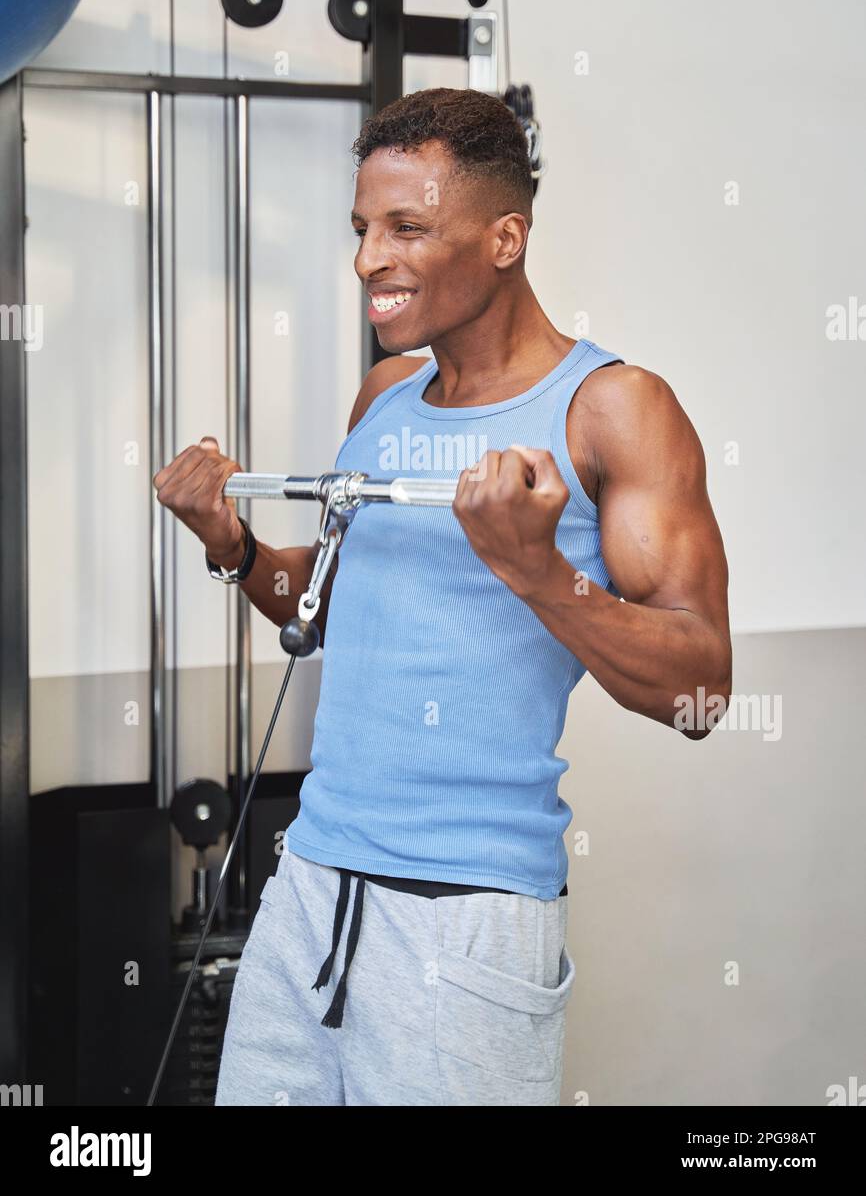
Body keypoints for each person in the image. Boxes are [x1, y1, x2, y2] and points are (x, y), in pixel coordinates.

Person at [154, 86, 731, 1106]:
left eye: (406, 228)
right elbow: (330, 602)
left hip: (466, 917)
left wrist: (537, 571)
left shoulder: (611, 409)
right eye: (362, 229)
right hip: (310, 887)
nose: (368, 259)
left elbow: (702, 689)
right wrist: (231, 544)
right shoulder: (386, 395)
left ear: (505, 238)